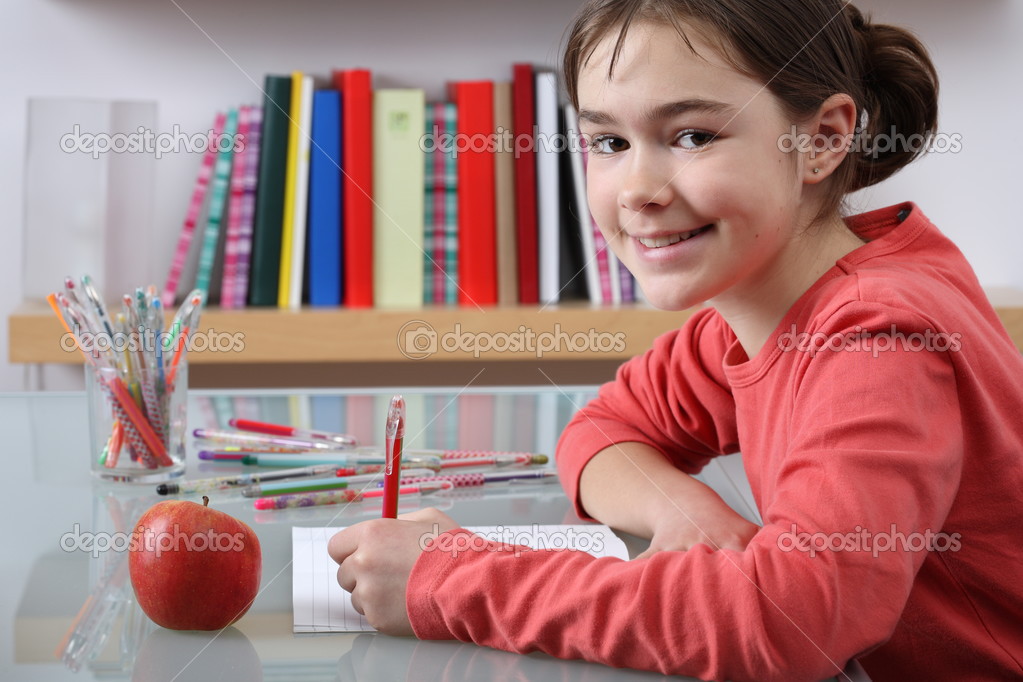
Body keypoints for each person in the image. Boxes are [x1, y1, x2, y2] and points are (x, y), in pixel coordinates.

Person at [327, 1, 1023, 680]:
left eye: (692, 136)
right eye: (609, 143)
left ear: (820, 140)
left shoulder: (876, 337)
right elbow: (602, 429)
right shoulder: (753, 309)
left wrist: (451, 578)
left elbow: (791, 623)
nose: (637, 189)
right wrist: (683, 509)